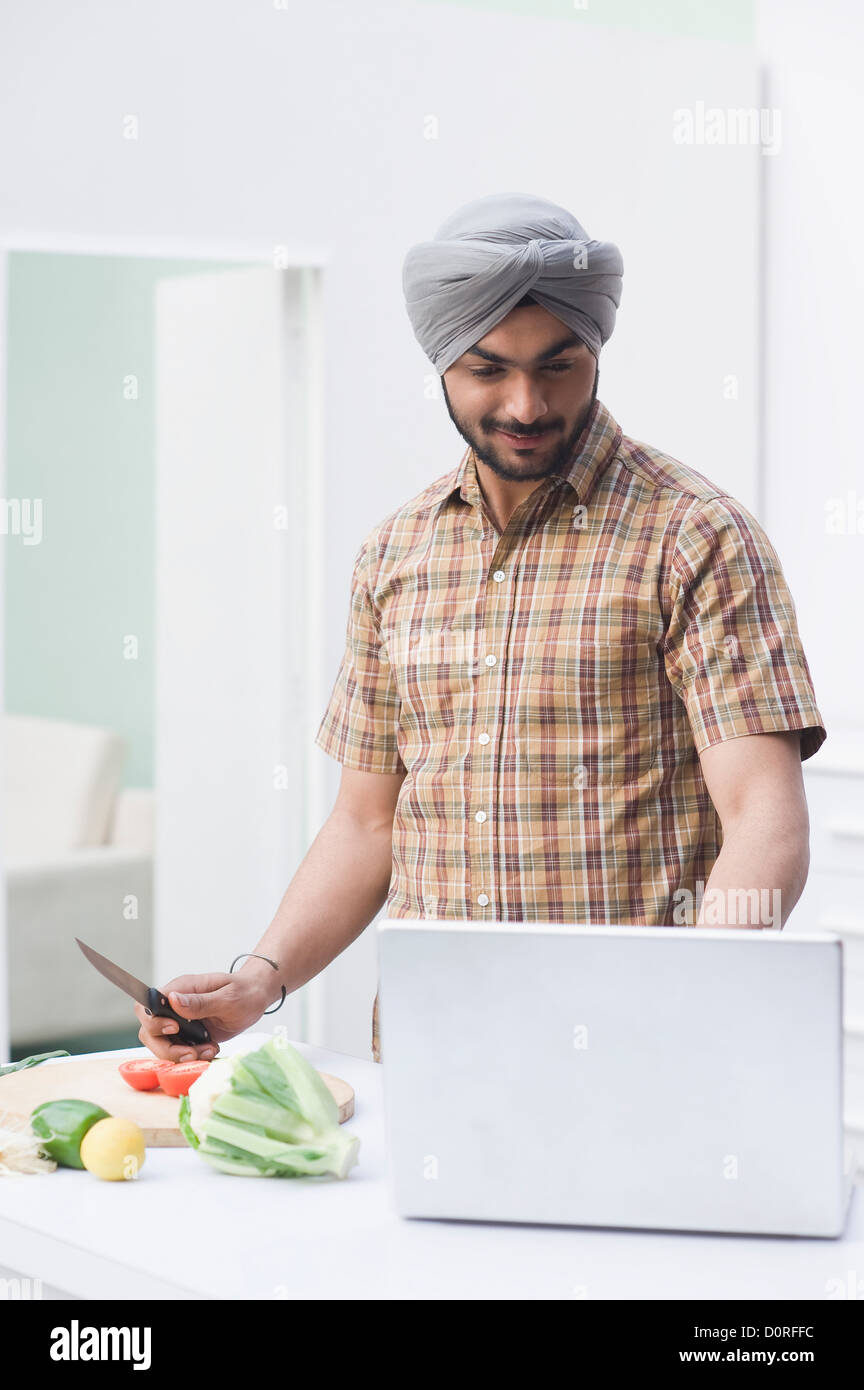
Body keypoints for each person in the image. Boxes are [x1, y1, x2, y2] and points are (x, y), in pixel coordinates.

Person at [136, 192, 826, 1068]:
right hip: (433, 1051)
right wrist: (257, 981)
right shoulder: (395, 554)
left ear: (597, 354)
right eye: (487, 368)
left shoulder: (694, 536)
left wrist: (681, 1008)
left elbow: (764, 818)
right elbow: (365, 825)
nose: (527, 404)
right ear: (441, 364)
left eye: (559, 365)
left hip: (637, 1051)